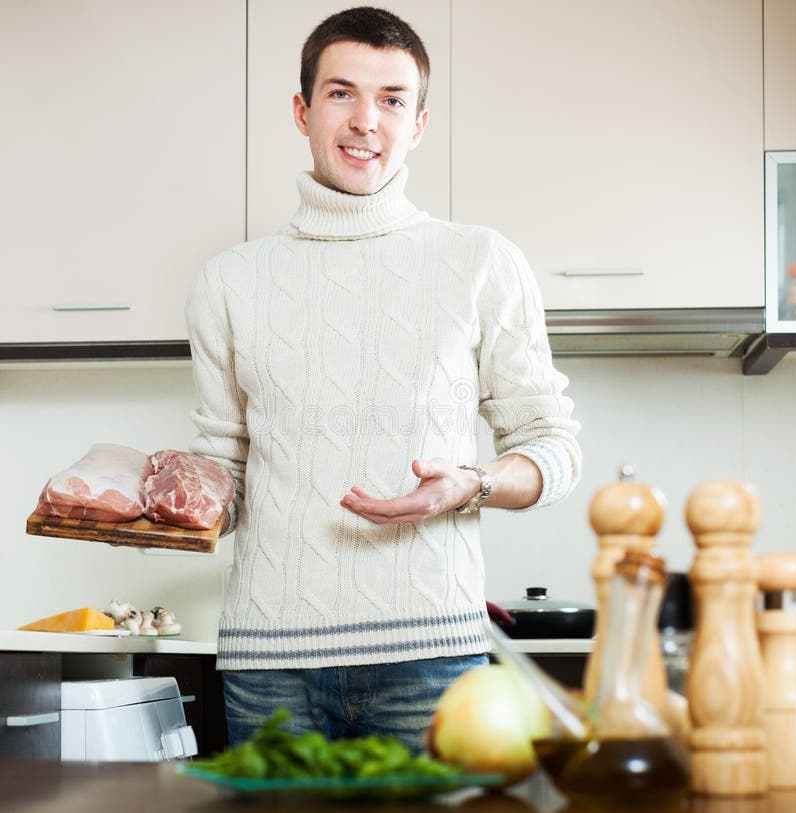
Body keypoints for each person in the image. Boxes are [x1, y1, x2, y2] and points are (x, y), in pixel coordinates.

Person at [185, 5, 581, 753]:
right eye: (341, 93)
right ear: (302, 110)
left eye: (392, 99)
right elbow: (225, 472)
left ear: (419, 123)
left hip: (433, 654)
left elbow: (553, 448)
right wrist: (160, 507)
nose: (365, 120)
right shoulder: (227, 282)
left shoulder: (481, 261)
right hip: (271, 664)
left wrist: (469, 484)